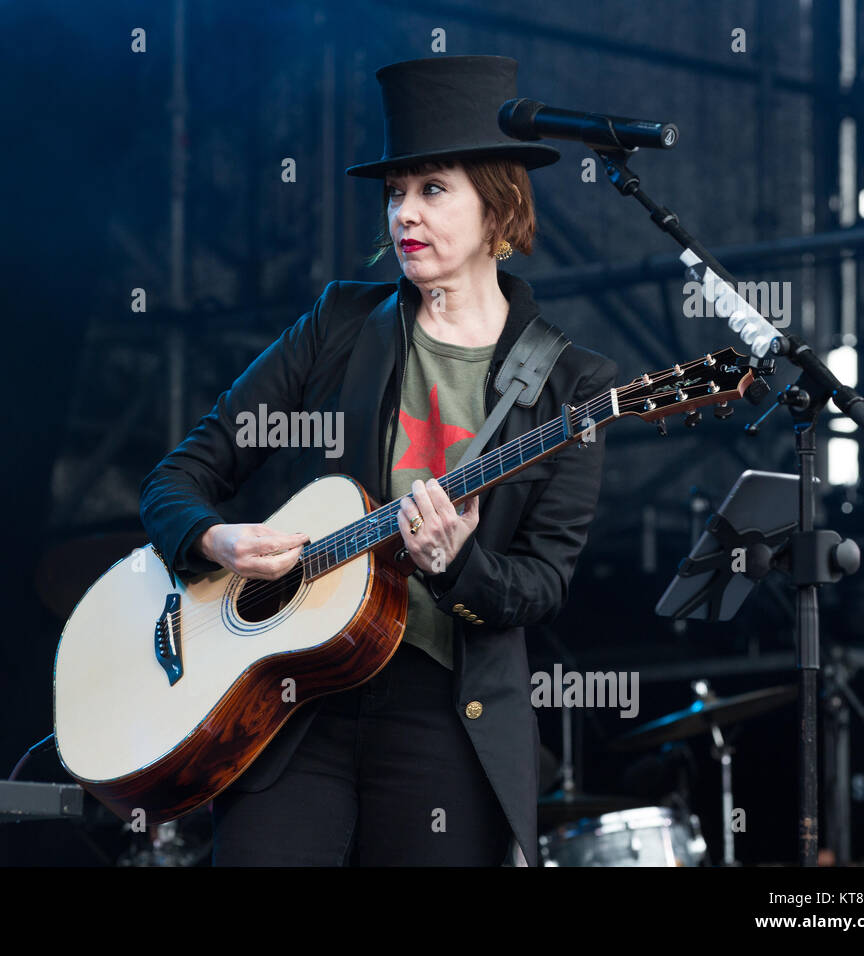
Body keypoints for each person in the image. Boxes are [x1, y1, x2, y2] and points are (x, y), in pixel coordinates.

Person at [139, 54, 618, 866]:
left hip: (444, 716)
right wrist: (215, 543)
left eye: (433, 189)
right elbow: (178, 481)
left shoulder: (574, 385)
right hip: (291, 711)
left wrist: (459, 565)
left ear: (498, 206)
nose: (405, 212)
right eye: (395, 192)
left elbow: (542, 584)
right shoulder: (338, 324)